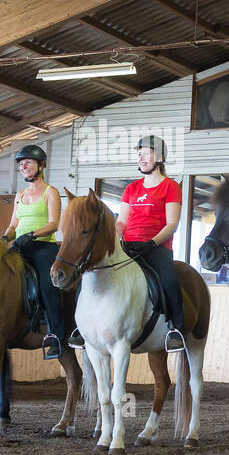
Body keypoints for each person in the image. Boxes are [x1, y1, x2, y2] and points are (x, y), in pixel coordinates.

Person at [71, 136, 187, 354]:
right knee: (88, 275)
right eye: (139, 153)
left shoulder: (170, 187)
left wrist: (151, 243)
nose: (141, 157)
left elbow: (172, 223)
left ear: (160, 158)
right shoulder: (131, 189)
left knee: (169, 280)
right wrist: (115, 238)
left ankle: (175, 329)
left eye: (146, 153)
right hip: (128, 245)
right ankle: (81, 328)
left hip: (157, 247)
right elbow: (122, 221)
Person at [0, 145, 65, 360]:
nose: (23, 166)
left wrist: (32, 234)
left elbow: (54, 224)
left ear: (41, 165)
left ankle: (56, 336)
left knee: (48, 285)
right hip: (19, 246)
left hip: (43, 247)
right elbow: (12, 225)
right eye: (21, 164)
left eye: (28, 162)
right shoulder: (20, 195)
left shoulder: (50, 192)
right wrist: (4, 238)